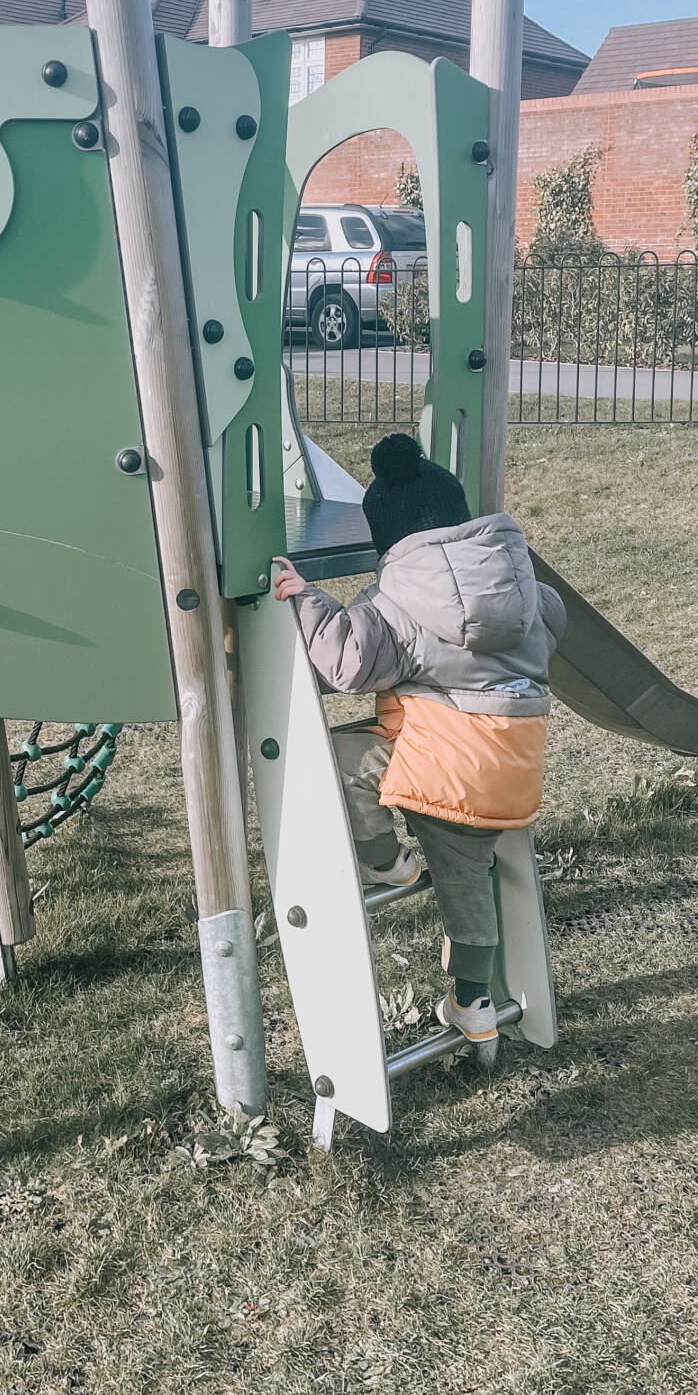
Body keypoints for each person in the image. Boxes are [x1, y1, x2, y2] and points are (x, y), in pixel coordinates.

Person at [270, 433, 566, 1046]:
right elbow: (555, 616)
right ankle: (474, 1001)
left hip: (446, 765)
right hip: (514, 763)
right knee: (467, 879)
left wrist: (308, 600)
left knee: (338, 759)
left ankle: (387, 863)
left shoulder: (397, 600)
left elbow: (348, 663)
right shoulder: (523, 587)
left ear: (390, 538)